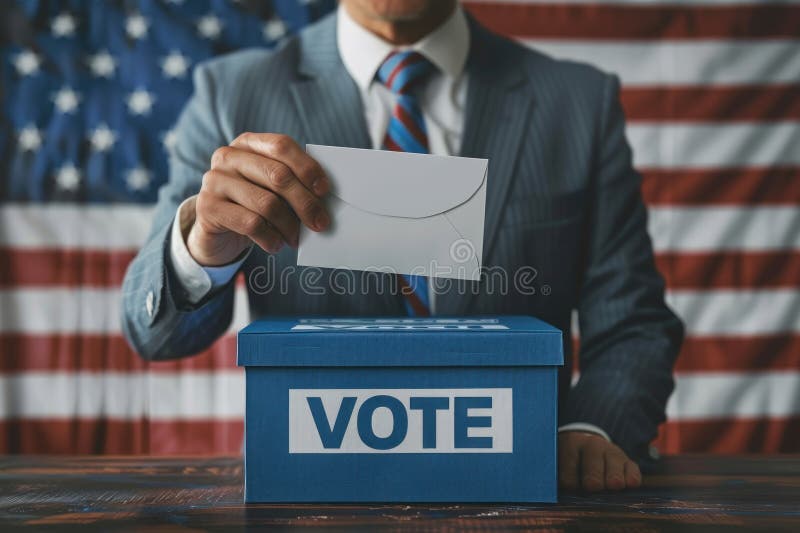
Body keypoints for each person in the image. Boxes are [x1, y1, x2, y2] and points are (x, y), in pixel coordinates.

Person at [121, 0, 684, 493]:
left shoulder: (577, 103)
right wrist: (202, 247)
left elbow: (633, 322)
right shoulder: (232, 94)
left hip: (521, 484)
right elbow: (154, 333)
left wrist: (588, 430)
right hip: (308, 487)